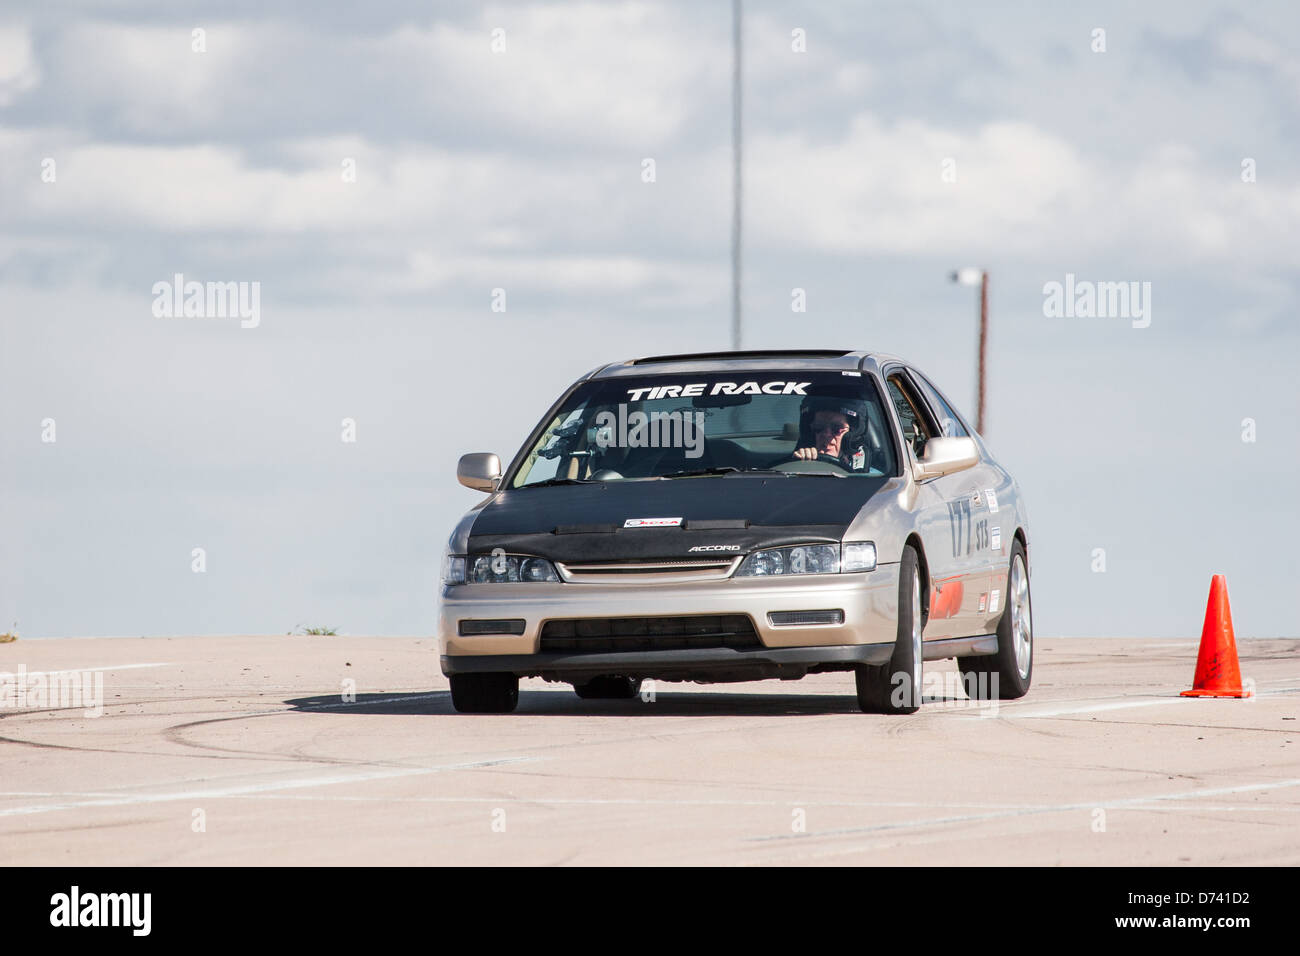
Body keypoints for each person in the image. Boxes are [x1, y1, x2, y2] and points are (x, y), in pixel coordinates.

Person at [791, 397, 869, 470]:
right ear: (809, 433)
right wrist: (797, 468)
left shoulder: (874, 477)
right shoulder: (796, 465)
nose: (827, 434)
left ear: (852, 435)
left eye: (837, 429)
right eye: (818, 427)